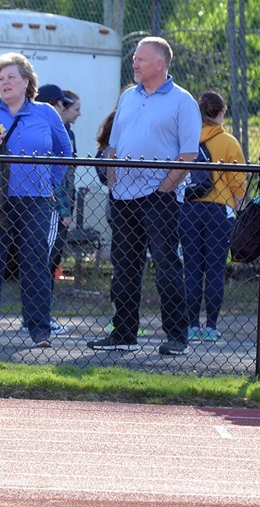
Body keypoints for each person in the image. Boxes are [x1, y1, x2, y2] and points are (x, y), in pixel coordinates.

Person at [87, 37, 201, 355]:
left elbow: (188, 154)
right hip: (123, 197)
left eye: (141, 59)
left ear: (160, 64)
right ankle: (124, 334)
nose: (134, 63)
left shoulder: (182, 101)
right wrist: (113, 179)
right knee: (124, 266)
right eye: (135, 58)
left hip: (159, 198)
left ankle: (177, 336)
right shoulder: (128, 96)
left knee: (166, 266)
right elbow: (113, 145)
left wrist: (165, 188)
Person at [0, 53, 71, 348]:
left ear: (27, 82)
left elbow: (64, 151)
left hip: (36, 201)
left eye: (11, 77)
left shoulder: (46, 113)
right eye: (1, 78)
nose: (5, 82)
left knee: (36, 264)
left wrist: (51, 182)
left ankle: (40, 331)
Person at [180, 91, 247, 343]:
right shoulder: (228, 142)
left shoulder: (187, 138)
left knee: (192, 268)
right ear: (221, 112)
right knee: (215, 270)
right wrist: (241, 210)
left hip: (188, 209)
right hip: (219, 210)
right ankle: (211, 326)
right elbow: (238, 183)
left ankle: (191, 325)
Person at [34, 84, 81, 336]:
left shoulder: (58, 131)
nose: (64, 109)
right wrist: (64, 209)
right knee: (46, 262)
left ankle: (37, 316)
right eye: (62, 104)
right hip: (52, 207)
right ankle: (40, 317)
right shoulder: (50, 131)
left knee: (45, 262)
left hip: (51, 204)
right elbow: (57, 177)